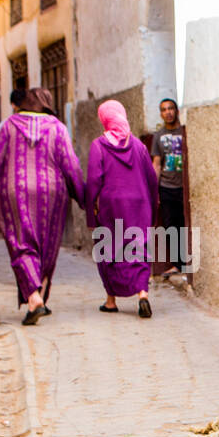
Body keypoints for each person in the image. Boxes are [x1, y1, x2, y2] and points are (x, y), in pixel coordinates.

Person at [0, 87, 83, 325]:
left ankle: (35, 299)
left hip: (15, 191)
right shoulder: (57, 127)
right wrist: (81, 194)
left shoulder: (9, 125)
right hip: (52, 194)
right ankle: (39, 298)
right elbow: (70, 164)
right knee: (47, 247)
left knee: (21, 244)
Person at [85, 100, 159, 317]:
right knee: (138, 246)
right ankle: (143, 294)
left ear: (104, 119)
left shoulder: (98, 145)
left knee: (109, 247)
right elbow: (151, 178)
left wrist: (92, 208)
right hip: (139, 203)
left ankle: (110, 300)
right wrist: (153, 205)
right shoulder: (138, 145)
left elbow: (93, 179)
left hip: (111, 205)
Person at [150, 97, 185, 275]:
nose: (168, 112)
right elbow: (156, 163)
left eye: (171, 108)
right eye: (164, 109)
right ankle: (177, 264)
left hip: (184, 188)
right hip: (166, 187)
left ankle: (187, 262)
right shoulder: (158, 136)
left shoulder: (184, 132)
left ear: (177, 111)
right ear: (161, 114)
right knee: (171, 226)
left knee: (184, 224)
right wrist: (155, 189)